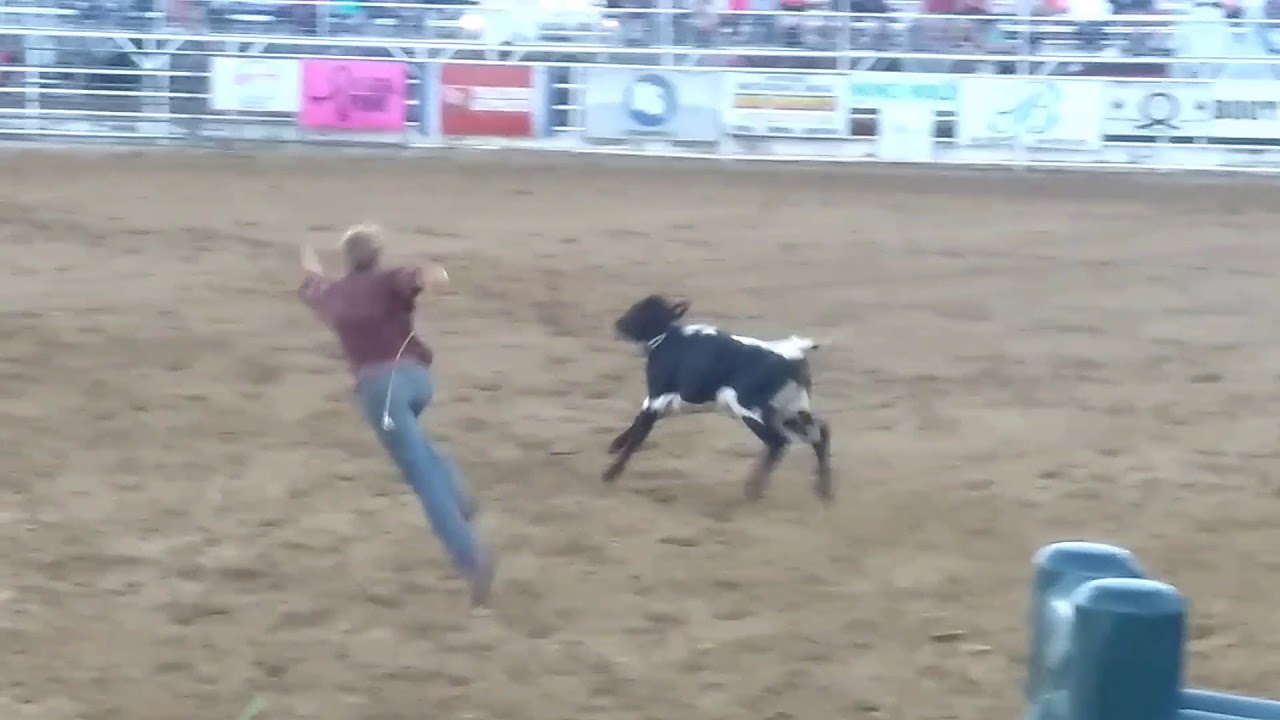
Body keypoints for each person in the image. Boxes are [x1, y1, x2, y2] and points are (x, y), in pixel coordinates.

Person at [298, 224, 495, 607]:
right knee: (419, 445)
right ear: (378, 255)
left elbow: (311, 283)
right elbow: (415, 278)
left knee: (421, 476)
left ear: (347, 260)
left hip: (381, 392)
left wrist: (306, 253)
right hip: (417, 380)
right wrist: (432, 275)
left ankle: (471, 559)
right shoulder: (388, 280)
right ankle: (460, 496)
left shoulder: (334, 295)